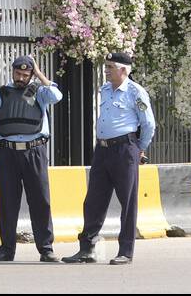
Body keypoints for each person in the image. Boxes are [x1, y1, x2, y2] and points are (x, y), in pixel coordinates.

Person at [64, 52, 155, 266]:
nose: (106, 70)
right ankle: (86, 248)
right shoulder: (105, 89)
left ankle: (125, 251)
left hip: (125, 149)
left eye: (111, 66)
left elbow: (149, 124)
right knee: (93, 200)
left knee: (128, 202)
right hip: (102, 150)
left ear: (123, 70)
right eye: (106, 66)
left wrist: (139, 148)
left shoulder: (135, 92)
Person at [0, 56, 63, 262]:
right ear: (12, 72)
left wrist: (39, 74)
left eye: (25, 75)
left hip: (34, 151)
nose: (20, 78)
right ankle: (7, 249)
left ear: (31, 75)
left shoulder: (37, 91)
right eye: (18, 74)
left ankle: (46, 248)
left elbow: (57, 95)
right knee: (8, 202)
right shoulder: (0, 93)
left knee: (40, 201)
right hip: (8, 152)